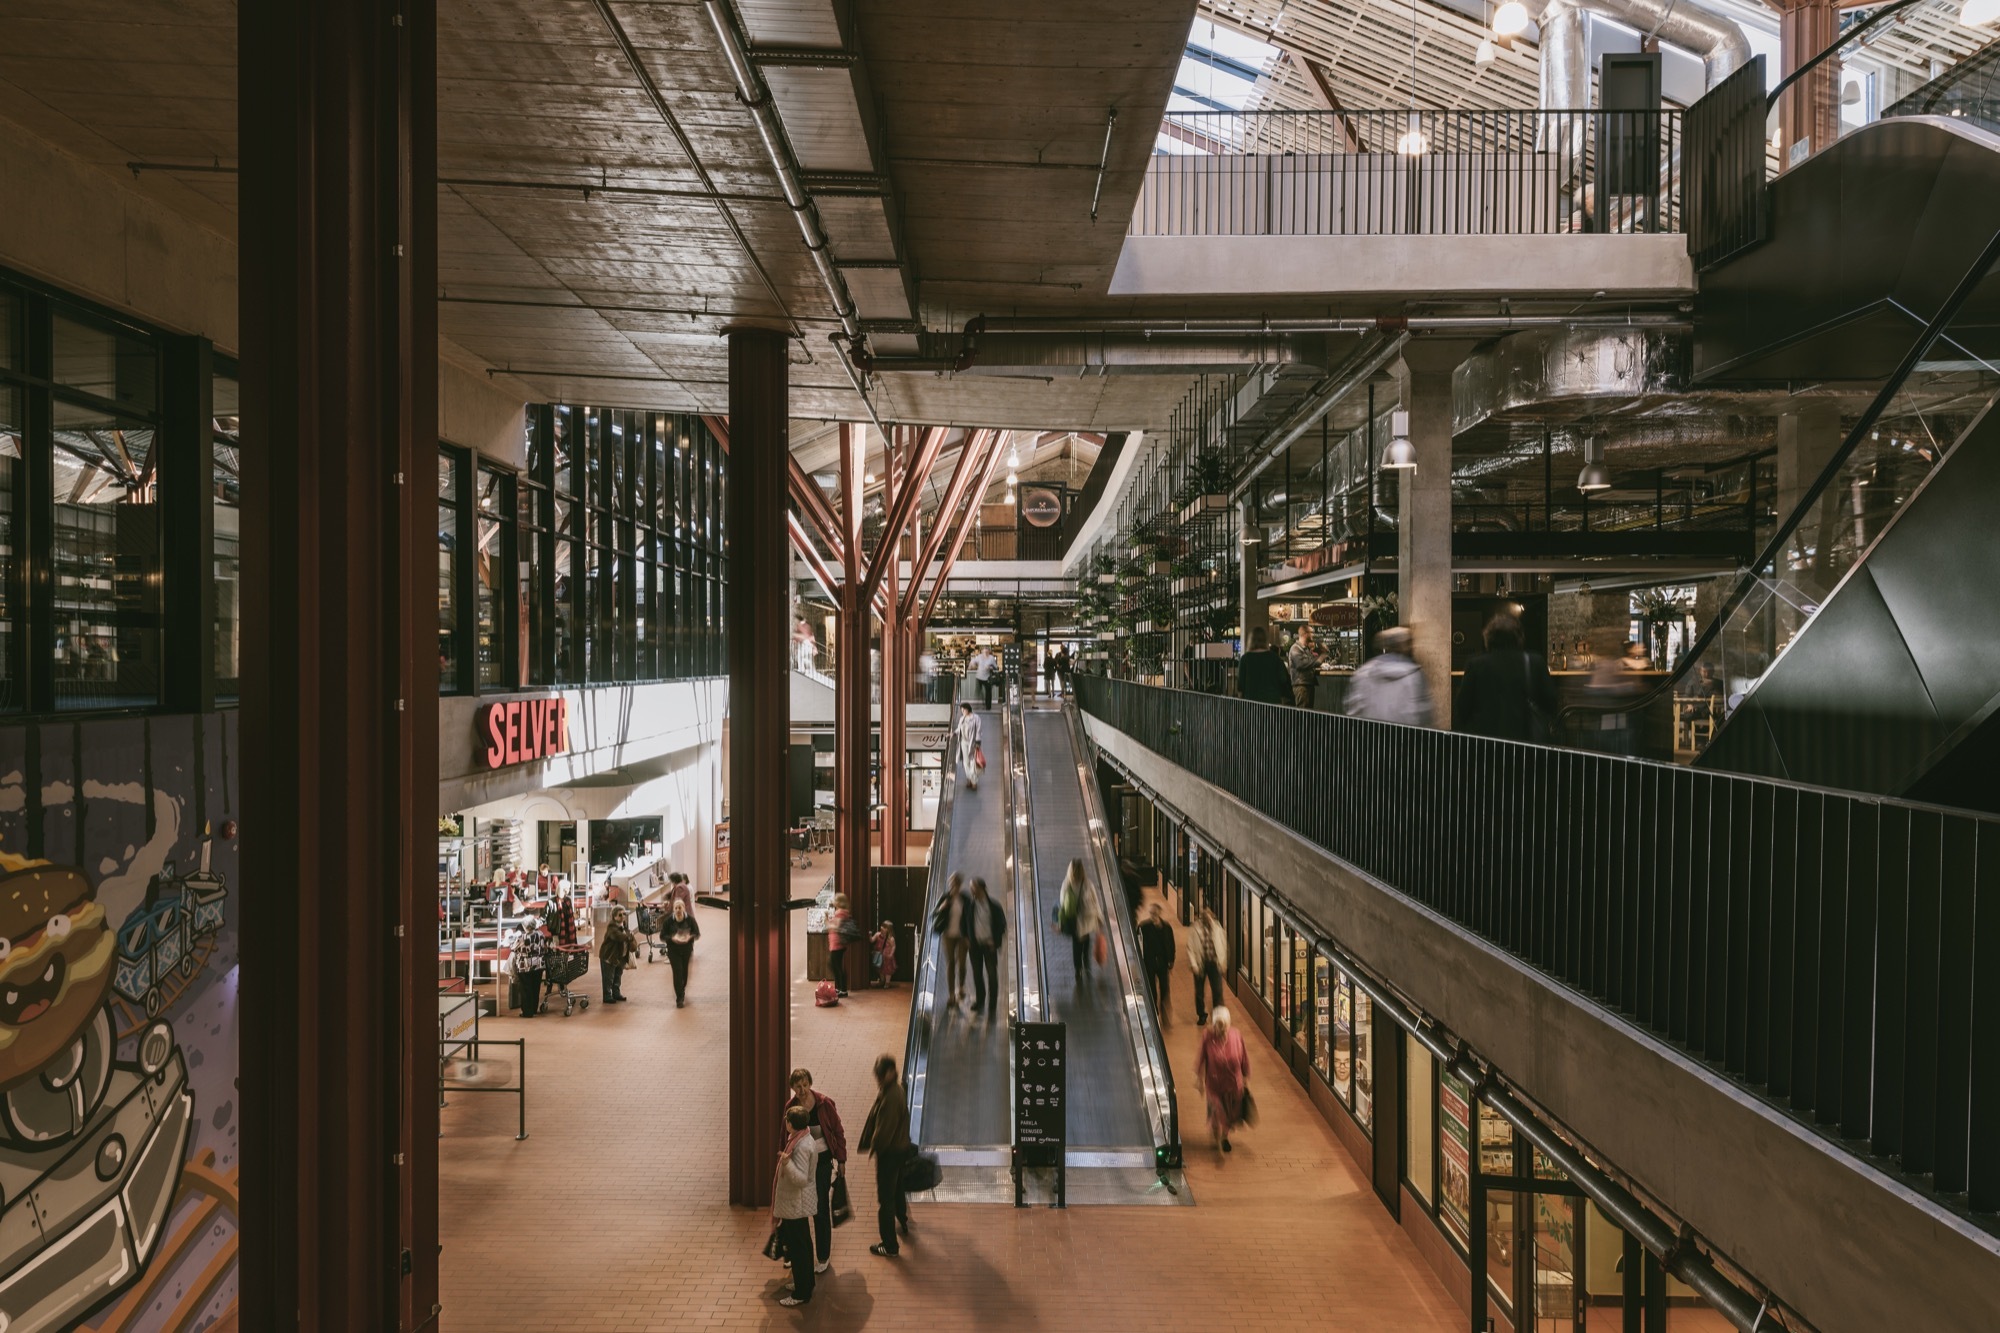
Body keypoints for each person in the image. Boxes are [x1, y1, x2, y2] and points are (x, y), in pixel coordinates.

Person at [1454, 611, 1558, 743]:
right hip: (1526, 742)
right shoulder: (1534, 661)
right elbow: (1550, 703)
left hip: (1485, 742)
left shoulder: (1476, 664)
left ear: (1488, 637)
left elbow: (1462, 708)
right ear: (1519, 637)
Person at [784, 1069, 848, 1276]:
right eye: (797, 1086)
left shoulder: (824, 1104)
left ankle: (823, 1256)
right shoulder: (791, 1107)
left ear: (810, 1083)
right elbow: (783, 1135)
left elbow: (837, 1131)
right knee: (797, 1208)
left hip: (821, 1164)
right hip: (800, 1163)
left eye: (804, 1085)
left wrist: (841, 1159)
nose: (802, 1090)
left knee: (820, 1209)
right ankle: (796, 1252)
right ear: (792, 1088)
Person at [857, 1054, 912, 1258]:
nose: (878, 1079)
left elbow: (884, 1131)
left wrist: (874, 1148)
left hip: (891, 1153)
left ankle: (889, 1245)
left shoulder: (891, 1096)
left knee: (885, 1199)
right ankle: (903, 1219)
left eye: (880, 1075)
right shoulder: (894, 1089)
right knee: (897, 1188)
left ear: (890, 1072)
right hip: (900, 1148)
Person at [771, 1104, 821, 1307]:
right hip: (797, 1204)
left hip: (795, 1205)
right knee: (803, 1244)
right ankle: (806, 1282)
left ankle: (801, 1292)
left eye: (787, 1119)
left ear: (792, 1124)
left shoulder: (801, 1146)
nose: (785, 1122)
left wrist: (786, 1163)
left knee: (799, 1248)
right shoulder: (804, 1138)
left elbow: (801, 1179)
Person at [1343, 626, 1434, 727]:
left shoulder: (1363, 673)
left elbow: (1354, 710)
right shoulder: (1414, 675)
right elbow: (1423, 714)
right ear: (1404, 646)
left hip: (1371, 736)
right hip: (1405, 737)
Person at [1194, 1007, 1251, 1155]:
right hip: (1214, 1082)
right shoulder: (1208, 1036)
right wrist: (1199, 1077)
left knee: (1230, 1113)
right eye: (1217, 1026)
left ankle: (1224, 1137)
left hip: (1233, 1083)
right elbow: (1201, 1056)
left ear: (1228, 1024)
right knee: (1216, 1110)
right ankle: (1215, 1131)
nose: (1220, 1030)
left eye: (1223, 1026)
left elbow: (1244, 1056)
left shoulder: (1236, 1035)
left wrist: (1245, 1076)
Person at [1055, 858, 1103, 981]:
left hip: (1074, 920)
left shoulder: (1067, 883)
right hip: (1086, 920)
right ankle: (1086, 964)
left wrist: (1061, 921)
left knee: (1076, 944)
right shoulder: (1087, 883)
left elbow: (1062, 902)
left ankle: (1078, 969)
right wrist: (1099, 918)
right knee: (1086, 942)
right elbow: (1095, 901)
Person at [966, 877, 1008, 1016]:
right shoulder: (970, 905)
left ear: (982, 888)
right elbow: (964, 923)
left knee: (992, 975)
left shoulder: (994, 906)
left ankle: (992, 1005)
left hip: (989, 946)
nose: (971, 890)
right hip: (975, 946)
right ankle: (980, 1001)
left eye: (973, 887)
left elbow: (1002, 925)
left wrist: (994, 941)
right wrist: (967, 939)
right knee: (977, 974)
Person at [931, 873, 971, 1007]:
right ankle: (951, 995)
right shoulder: (945, 897)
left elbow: (970, 917)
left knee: (962, 963)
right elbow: (934, 914)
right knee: (951, 963)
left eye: (955, 883)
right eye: (951, 883)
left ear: (959, 884)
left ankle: (961, 986)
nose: (952, 885)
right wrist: (942, 907)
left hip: (962, 936)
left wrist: (969, 936)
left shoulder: (965, 898)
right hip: (948, 935)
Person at [1138, 902, 1175, 1027]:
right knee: (1151, 990)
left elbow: (1171, 944)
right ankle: (1154, 1014)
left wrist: (1171, 960)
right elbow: (1139, 945)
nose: (1153, 915)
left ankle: (1164, 1015)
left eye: (1155, 913)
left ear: (1159, 913)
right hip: (1149, 963)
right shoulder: (1143, 927)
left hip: (1163, 963)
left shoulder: (1166, 927)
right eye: (1151, 913)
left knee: (1165, 989)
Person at [1188, 904, 1226, 1025]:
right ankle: (1202, 1015)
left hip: (1214, 963)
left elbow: (1223, 944)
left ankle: (1218, 1015)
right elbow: (1190, 947)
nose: (1207, 919)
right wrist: (1193, 964)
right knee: (1199, 992)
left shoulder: (1217, 928)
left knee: (1218, 991)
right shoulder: (1195, 929)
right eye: (1204, 916)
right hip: (1201, 963)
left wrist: (1223, 961)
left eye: (1209, 916)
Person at [1236, 626, 1289, 704]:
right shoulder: (1275, 658)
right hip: (1273, 702)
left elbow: (1240, 685)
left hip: (1250, 702)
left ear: (1250, 640)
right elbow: (1283, 680)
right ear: (1265, 640)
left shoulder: (1245, 659)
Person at [508, 918, 549, 1017]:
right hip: (538, 965)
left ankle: (527, 1012)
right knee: (535, 987)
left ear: (525, 926)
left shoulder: (523, 937)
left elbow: (513, 947)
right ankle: (534, 1009)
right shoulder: (541, 934)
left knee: (526, 989)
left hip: (525, 966)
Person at [663, 898, 700, 1007]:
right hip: (673, 950)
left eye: (680, 908)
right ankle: (679, 998)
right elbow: (663, 935)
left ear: (684, 908)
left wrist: (689, 936)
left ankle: (682, 989)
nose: (678, 910)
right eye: (676, 908)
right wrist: (672, 938)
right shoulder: (668, 921)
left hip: (686, 949)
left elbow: (697, 933)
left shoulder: (690, 920)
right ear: (673, 909)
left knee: (684, 972)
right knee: (677, 971)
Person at [598, 906, 635, 1004]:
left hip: (620, 957)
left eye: (624, 914)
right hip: (609, 956)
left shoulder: (624, 926)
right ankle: (607, 996)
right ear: (614, 917)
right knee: (608, 978)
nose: (623, 916)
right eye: (620, 914)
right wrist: (629, 936)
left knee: (617, 976)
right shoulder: (612, 927)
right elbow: (618, 936)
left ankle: (616, 993)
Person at [828, 893, 856, 997]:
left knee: (835, 966)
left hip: (837, 943)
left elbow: (836, 927)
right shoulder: (842, 912)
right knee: (836, 966)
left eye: (835, 899)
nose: (833, 901)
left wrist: (827, 920)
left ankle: (842, 989)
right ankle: (839, 988)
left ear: (839, 902)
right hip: (837, 943)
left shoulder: (840, 913)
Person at [1287, 626, 1323, 709]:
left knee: (1307, 714)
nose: (1313, 635)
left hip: (1307, 685)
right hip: (1301, 686)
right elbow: (1301, 664)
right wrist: (1320, 659)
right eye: (1312, 632)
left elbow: (1309, 663)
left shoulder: (1305, 649)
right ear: (1305, 634)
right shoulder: (1295, 648)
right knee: (1302, 714)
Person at [955, 701, 983, 792]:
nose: (962, 711)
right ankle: (970, 779)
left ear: (967, 709)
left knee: (972, 762)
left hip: (972, 743)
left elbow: (978, 730)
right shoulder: (962, 719)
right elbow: (959, 729)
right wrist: (952, 734)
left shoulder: (976, 718)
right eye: (961, 710)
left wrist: (978, 742)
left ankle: (973, 781)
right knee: (965, 762)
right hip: (963, 742)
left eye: (963, 710)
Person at [969, 645, 999, 709]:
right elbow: (973, 661)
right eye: (984, 650)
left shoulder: (991, 658)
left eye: (986, 650)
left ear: (989, 651)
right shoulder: (979, 657)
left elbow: (996, 667)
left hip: (987, 678)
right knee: (978, 692)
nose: (985, 652)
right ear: (982, 651)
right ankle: (976, 706)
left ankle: (988, 707)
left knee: (988, 693)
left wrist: (991, 667)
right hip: (979, 677)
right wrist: (972, 665)